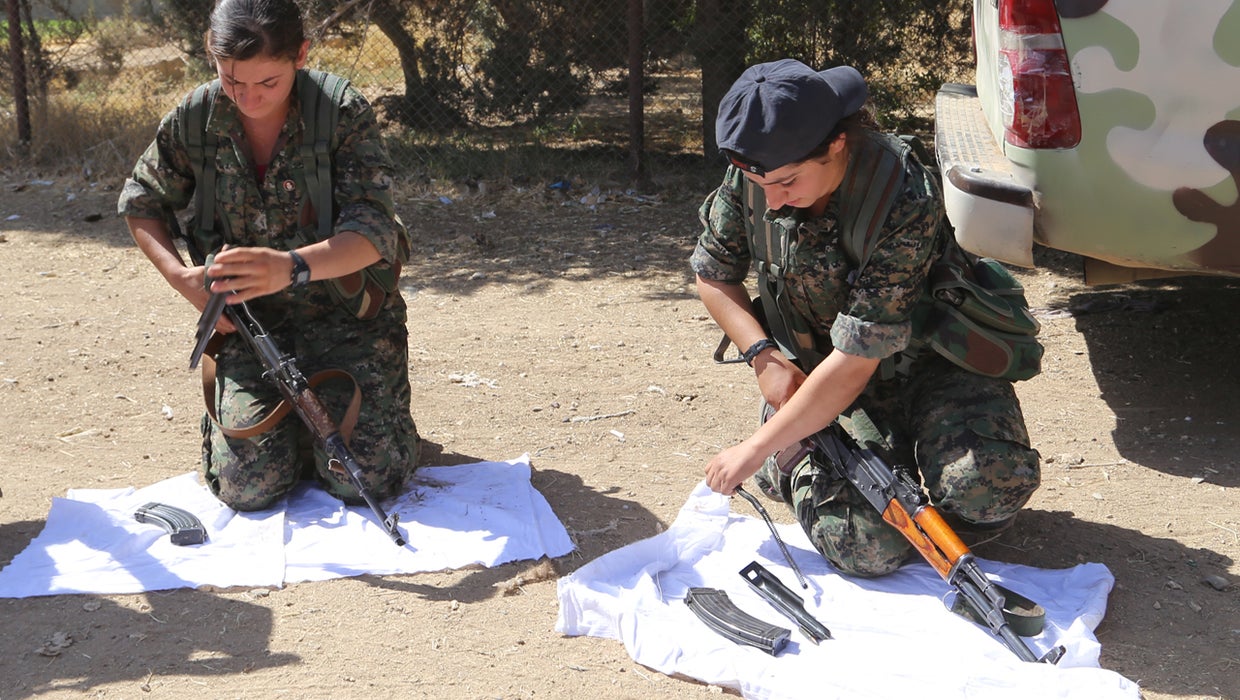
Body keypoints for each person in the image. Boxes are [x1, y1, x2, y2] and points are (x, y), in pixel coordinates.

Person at [691, 59, 1041, 577]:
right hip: (825, 381)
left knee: (987, 488)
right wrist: (763, 357)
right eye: (757, 181)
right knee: (867, 547)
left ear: (836, 144)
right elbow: (711, 276)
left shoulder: (902, 194)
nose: (771, 198)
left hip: (930, 368)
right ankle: (790, 457)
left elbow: (858, 358)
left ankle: (794, 443)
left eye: (787, 181)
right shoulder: (761, 166)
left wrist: (751, 447)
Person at [118, 0, 419, 511]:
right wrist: (180, 277)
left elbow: (373, 230)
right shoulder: (195, 118)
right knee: (247, 487)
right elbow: (141, 203)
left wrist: (292, 267)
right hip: (251, 332)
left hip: (347, 324)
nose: (250, 98)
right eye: (233, 81)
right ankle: (288, 433)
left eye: (268, 83)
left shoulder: (338, 111)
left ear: (299, 55)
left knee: (365, 477)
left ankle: (335, 423)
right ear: (213, 55)